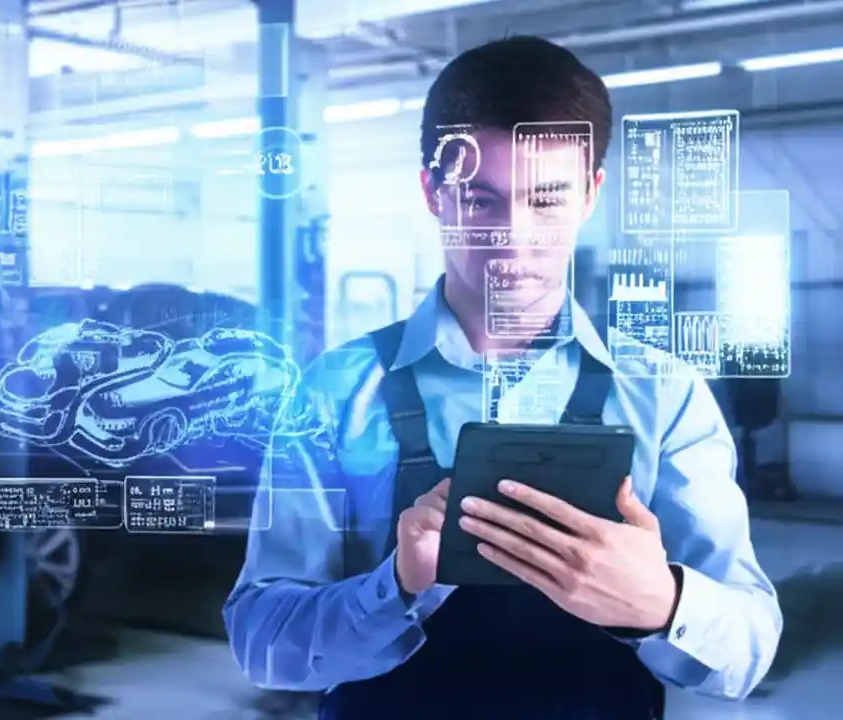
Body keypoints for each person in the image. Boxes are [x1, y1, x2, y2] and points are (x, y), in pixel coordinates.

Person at [222, 36, 782, 719]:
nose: (513, 241)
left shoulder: (665, 399)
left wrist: (659, 602)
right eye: (481, 202)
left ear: (589, 195)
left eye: (545, 201)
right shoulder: (334, 394)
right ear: (434, 191)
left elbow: (750, 650)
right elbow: (261, 643)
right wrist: (396, 587)